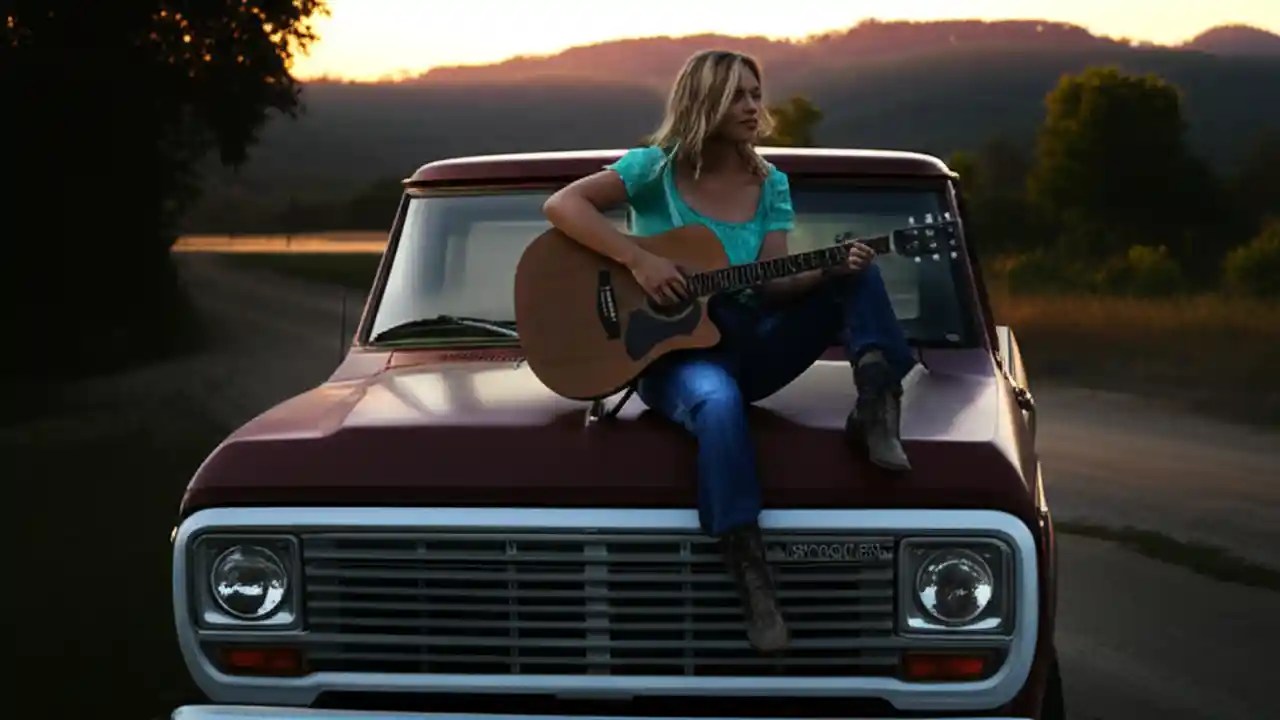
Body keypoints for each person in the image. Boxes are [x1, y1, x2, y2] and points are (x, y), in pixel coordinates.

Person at [541, 49, 918, 654]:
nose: (754, 108)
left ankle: (876, 400)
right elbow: (562, 205)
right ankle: (749, 569)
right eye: (739, 95)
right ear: (706, 100)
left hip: (752, 342)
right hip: (670, 354)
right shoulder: (652, 170)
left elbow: (770, 282)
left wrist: (824, 270)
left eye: (756, 93)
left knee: (851, 266)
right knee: (718, 406)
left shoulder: (769, 182)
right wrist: (637, 258)